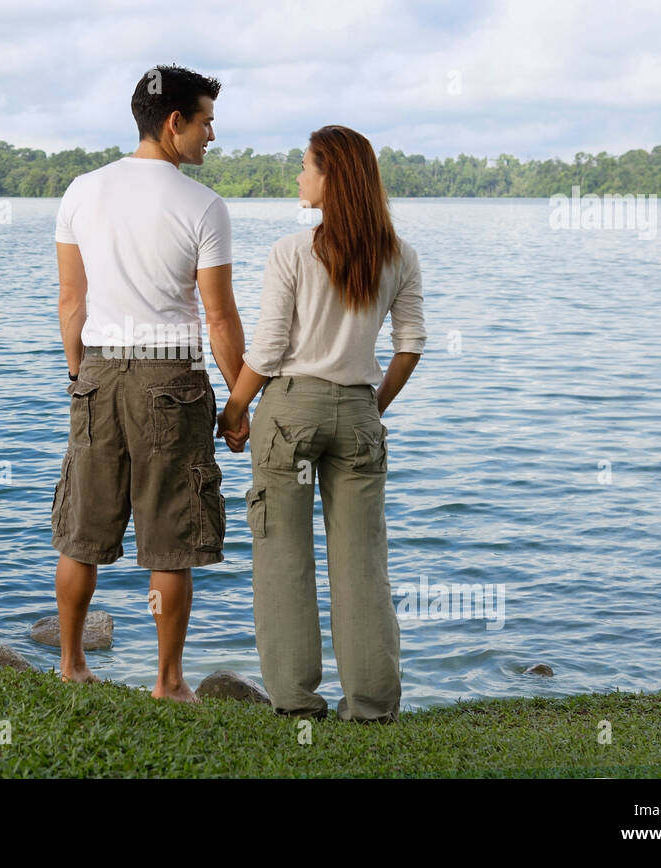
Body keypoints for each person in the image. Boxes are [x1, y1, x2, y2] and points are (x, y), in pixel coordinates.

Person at [216, 125, 426, 723]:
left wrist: (235, 410)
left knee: (284, 556)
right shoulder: (399, 255)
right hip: (359, 410)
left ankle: (297, 704)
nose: (299, 177)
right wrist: (372, 406)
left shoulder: (292, 251)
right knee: (362, 562)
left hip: (290, 414)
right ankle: (372, 706)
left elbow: (268, 349)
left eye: (305, 167)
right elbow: (409, 346)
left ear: (331, 175)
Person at [52, 64, 247, 702]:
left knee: (84, 529)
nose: (212, 136)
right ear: (174, 123)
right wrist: (242, 399)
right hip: (173, 378)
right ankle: (168, 682)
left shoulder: (81, 190)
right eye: (206, 121)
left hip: (99, 372)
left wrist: (82, 376)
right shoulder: (203, 205)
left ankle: (72, 664)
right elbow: (218, 318)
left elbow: (71, 303)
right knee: (169, 540)